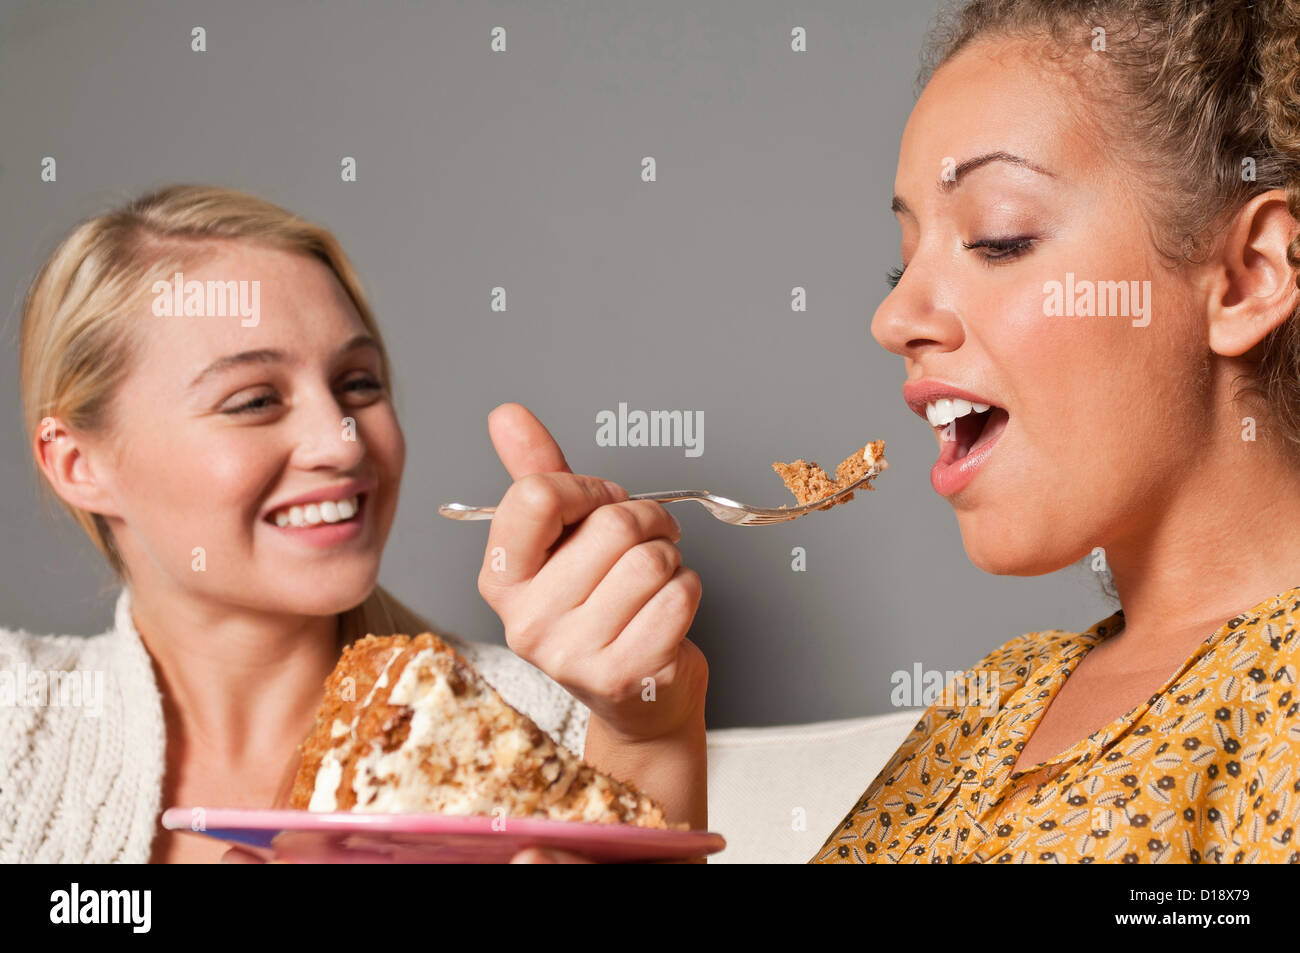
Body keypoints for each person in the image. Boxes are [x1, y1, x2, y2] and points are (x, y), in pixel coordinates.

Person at [1, 185, 706, 863]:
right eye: (252, 400)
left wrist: (650, 733)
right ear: (77, 463)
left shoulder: (547, 727)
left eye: (359, 383)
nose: (343, 442)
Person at [812, 0, 1300, 862]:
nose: (893, 316)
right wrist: (644, 735)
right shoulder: (992, 701)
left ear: (1248, 277)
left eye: (999, 239)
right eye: (904, 259)